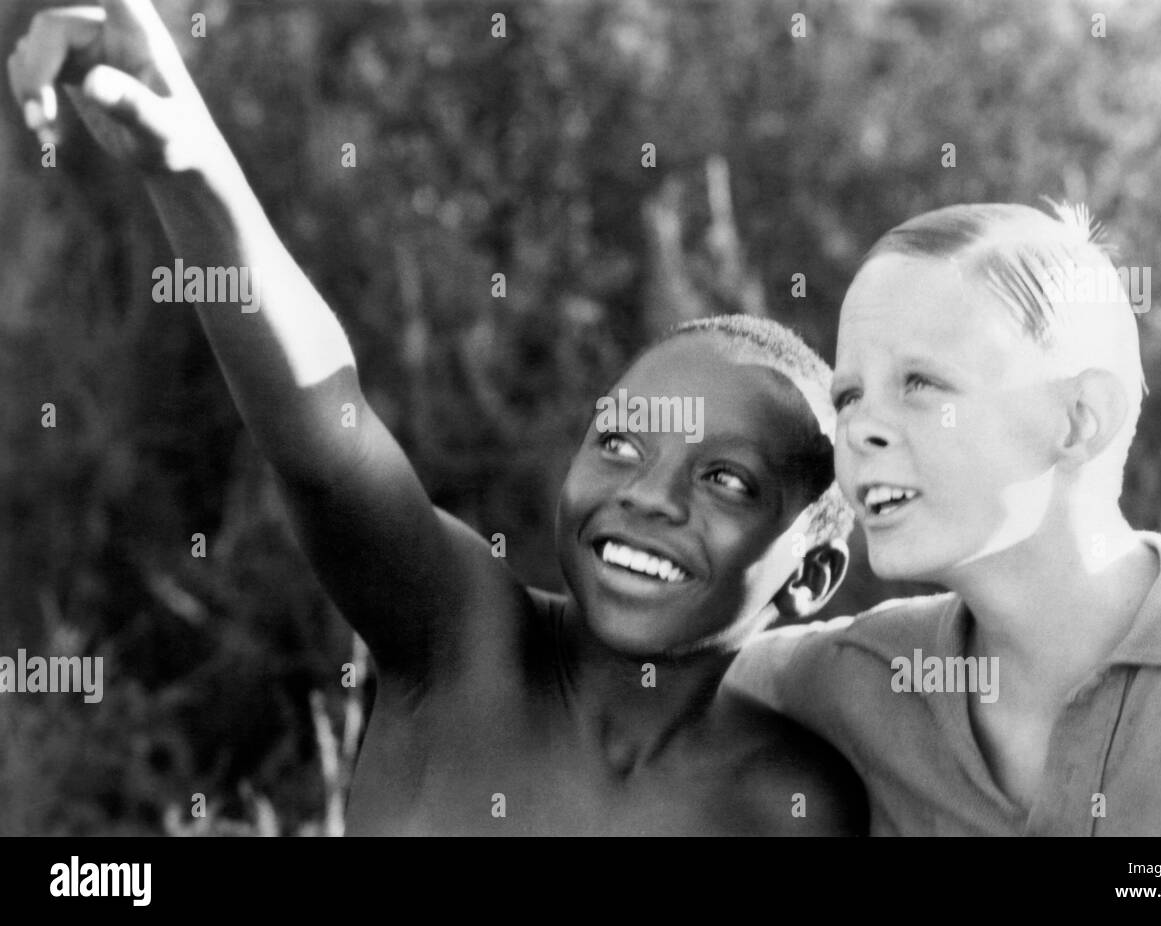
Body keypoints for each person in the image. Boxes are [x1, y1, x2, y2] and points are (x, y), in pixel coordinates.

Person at [8, 0, 868, 835]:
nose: (648, 495)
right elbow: (327, 442)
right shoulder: (462, 639)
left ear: (813, 574)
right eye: (619, 442)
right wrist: (189, 159)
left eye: (724, 479)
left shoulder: (793, 803)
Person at [726, 202, 1161, 835]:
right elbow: (637, 692)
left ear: (1080, 417)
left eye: (920, 382)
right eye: (850, 396)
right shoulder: (848, 678)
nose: (860, 429)